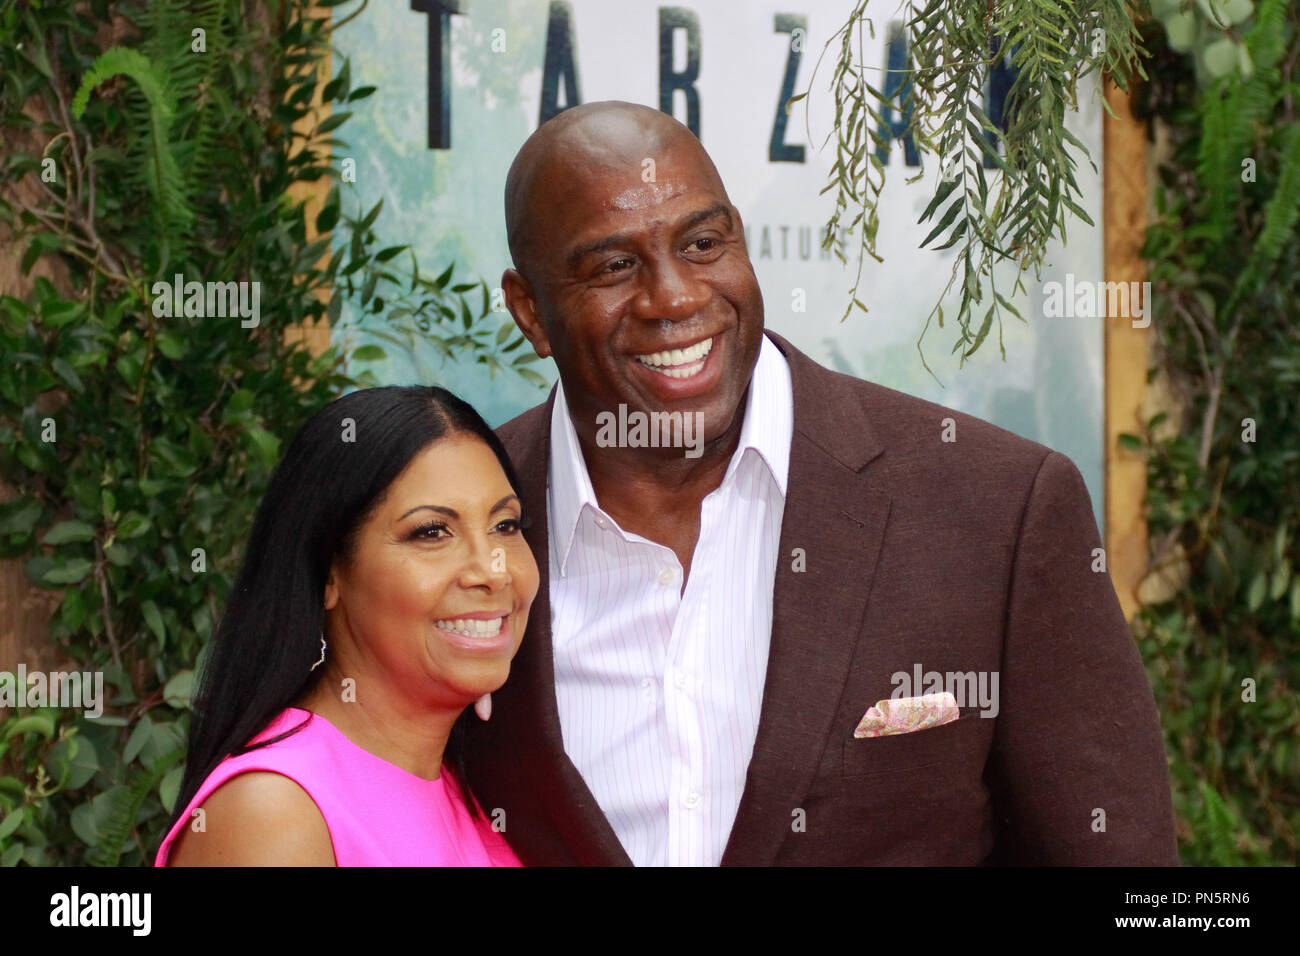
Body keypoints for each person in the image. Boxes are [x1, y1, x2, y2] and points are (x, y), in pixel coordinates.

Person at [462, 101, 1180, 865]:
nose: (674, 298)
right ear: (530, 312)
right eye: (614, 266)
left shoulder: (1000, 509)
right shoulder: (445, 534)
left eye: (703, 243)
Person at [157, 386, 538, 866]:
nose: (493, 570)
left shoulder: (470, 789)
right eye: (431, 532)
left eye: (505, 525)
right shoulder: (274, 811)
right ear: (328, 575)